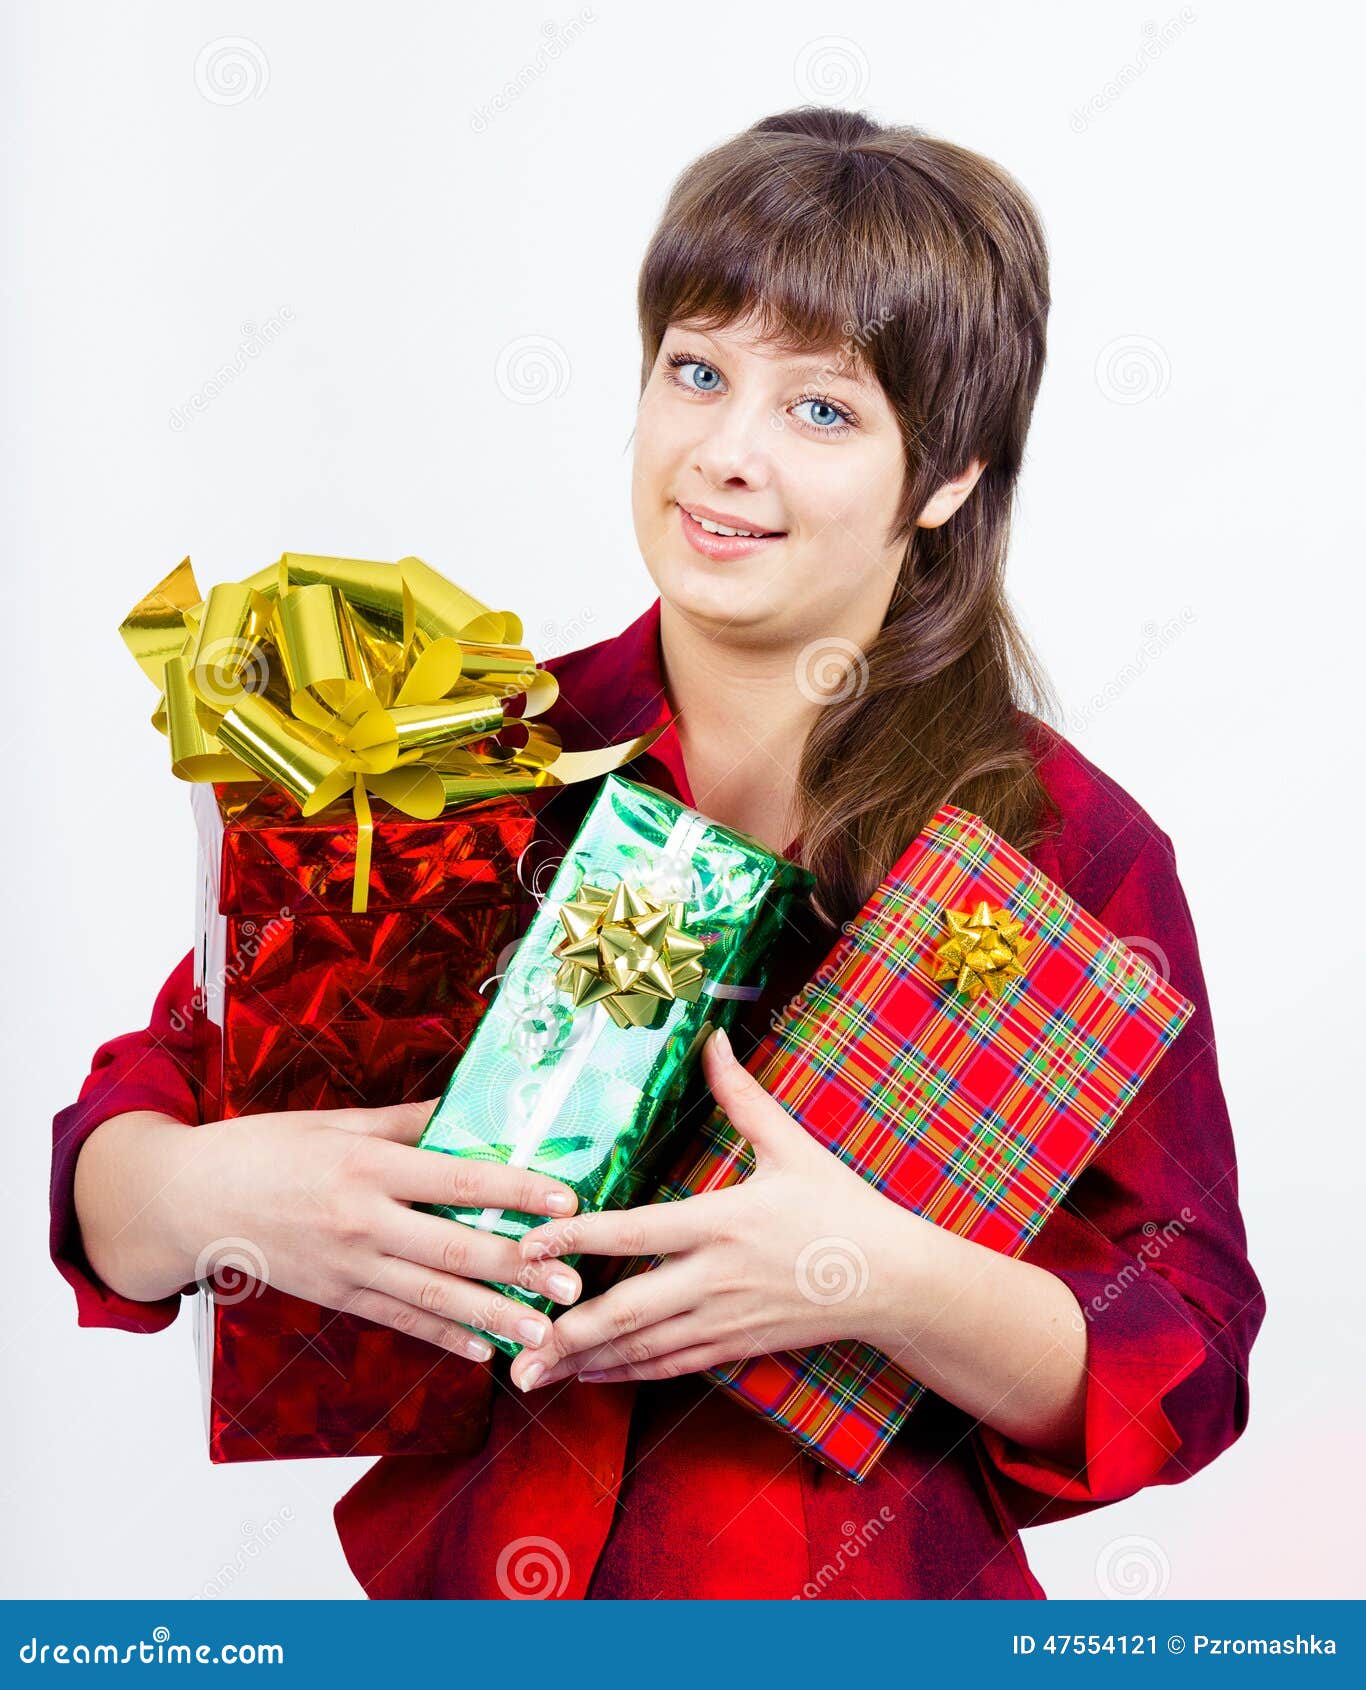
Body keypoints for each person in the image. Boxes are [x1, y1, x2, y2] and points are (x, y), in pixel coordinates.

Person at [52, 106, 1263, 1599]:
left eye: (821, 409)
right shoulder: (458, 752)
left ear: (946, 477)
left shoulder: (1063, 847)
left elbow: (1189, 1351)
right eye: (696, 372)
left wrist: (876, 1273)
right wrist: (203, 1197)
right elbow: (129, 1135)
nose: (723, 455)